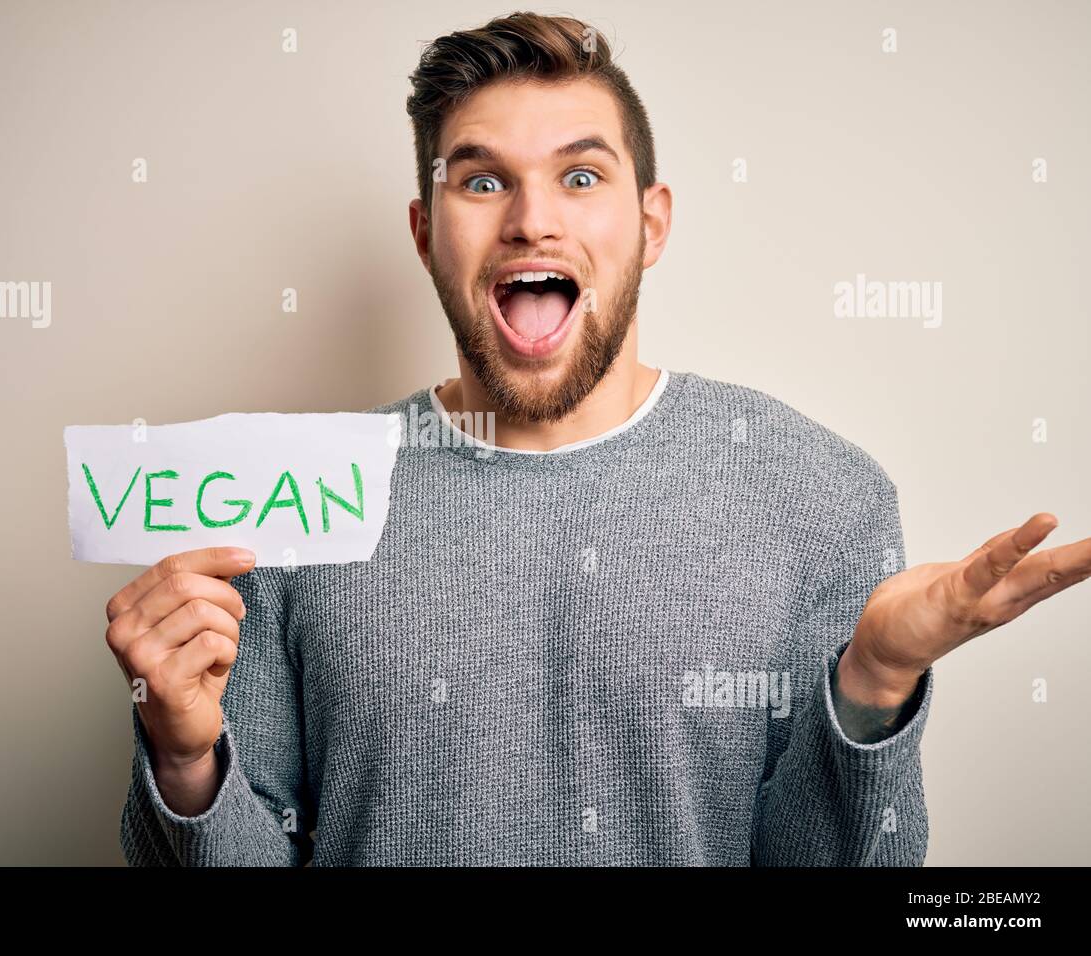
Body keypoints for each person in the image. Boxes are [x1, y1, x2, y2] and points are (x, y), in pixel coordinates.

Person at [106, 11, 1089, 866]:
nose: (533, 221)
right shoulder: (289, 501)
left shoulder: (821, 494)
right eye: (481, 181)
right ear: (422, 231)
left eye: (580, 174)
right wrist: (188, 760)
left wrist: (872, 684)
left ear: (650, 223)